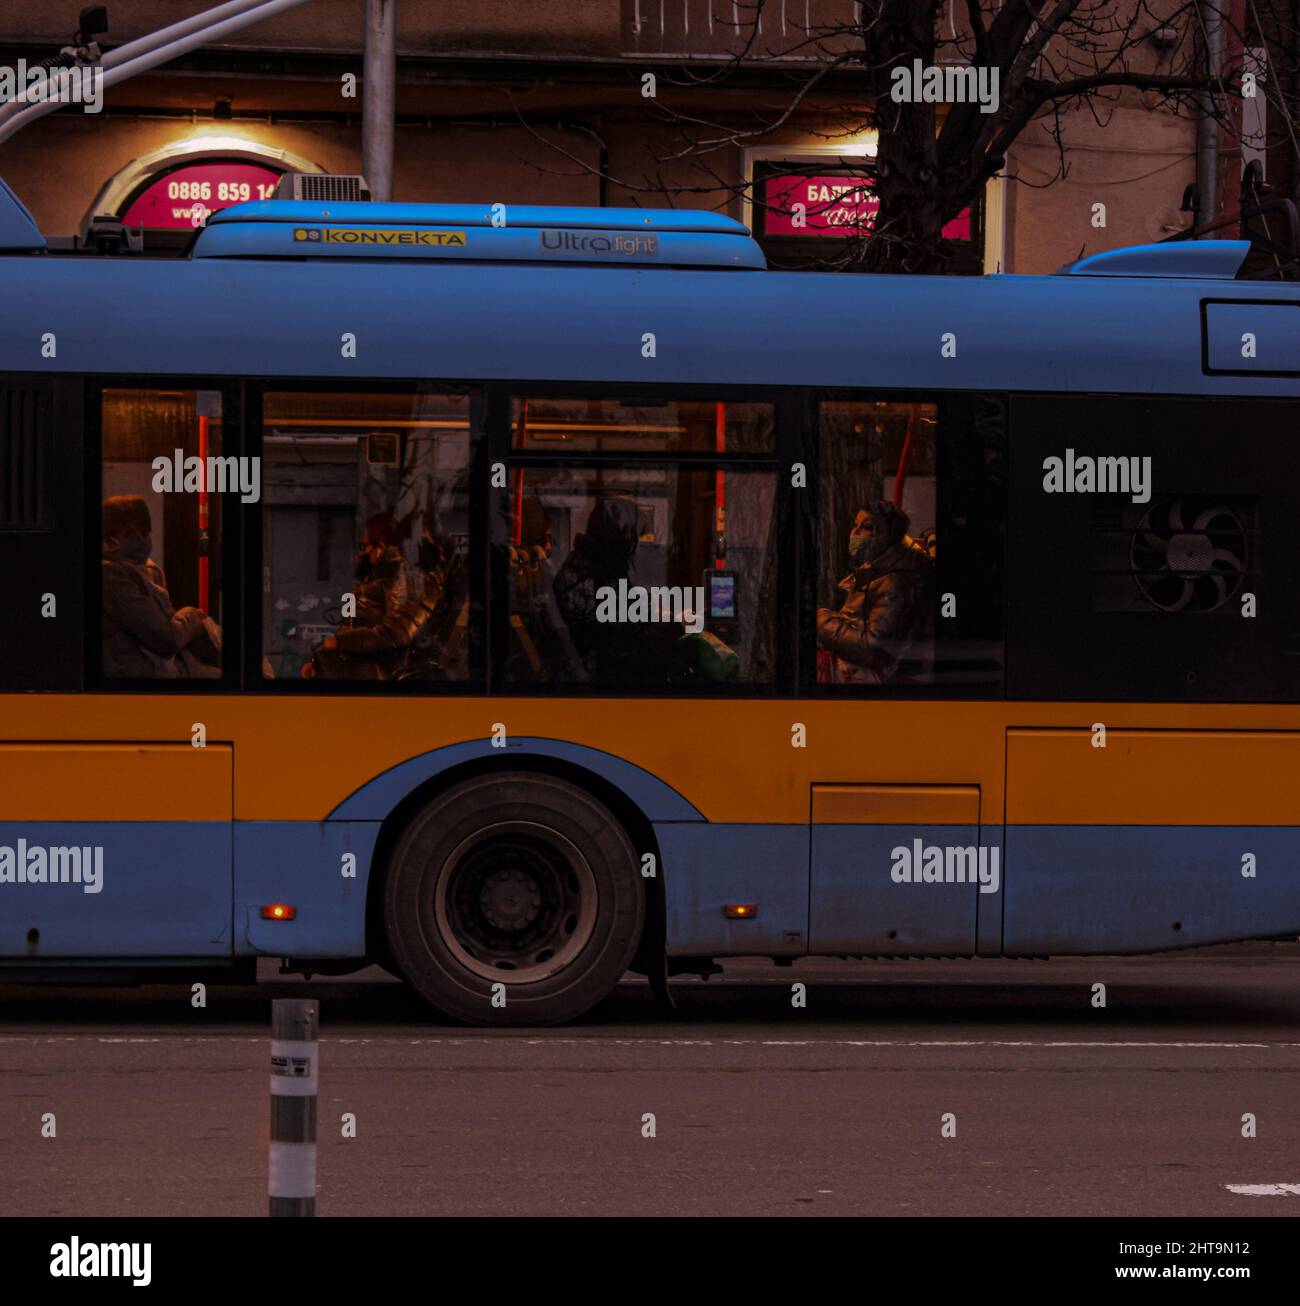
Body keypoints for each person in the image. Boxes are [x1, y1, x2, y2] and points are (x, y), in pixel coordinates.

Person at [101, 495, 219, 678]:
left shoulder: (143, 569)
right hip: (144, 675)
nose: (146, 540)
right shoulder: (111, 576)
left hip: (164, 666)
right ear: (111, 541)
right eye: (138, 533)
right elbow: (166, 639)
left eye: (147, 532)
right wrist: (191, 616)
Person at [816, 499, 932, 684]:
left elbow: (874, 650)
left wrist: (821, 621)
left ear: (884, 535)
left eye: (866, 527)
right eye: (855, 525)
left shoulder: (896, 581)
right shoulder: (869, 571)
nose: (854, 533)